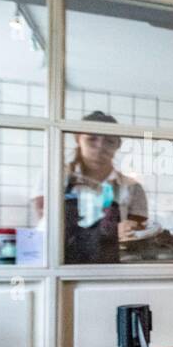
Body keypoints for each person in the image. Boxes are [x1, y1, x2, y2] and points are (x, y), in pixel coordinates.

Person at [36, 111, 150, 264]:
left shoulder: (132, 187)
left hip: (109, 268)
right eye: (92, 139)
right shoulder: (55, 175)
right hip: (59, 265)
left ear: (118, 145)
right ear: (78, 138)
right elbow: (48, 223)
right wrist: (108, 232)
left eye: (109, 141)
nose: (100, 147)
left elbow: (138, 234)